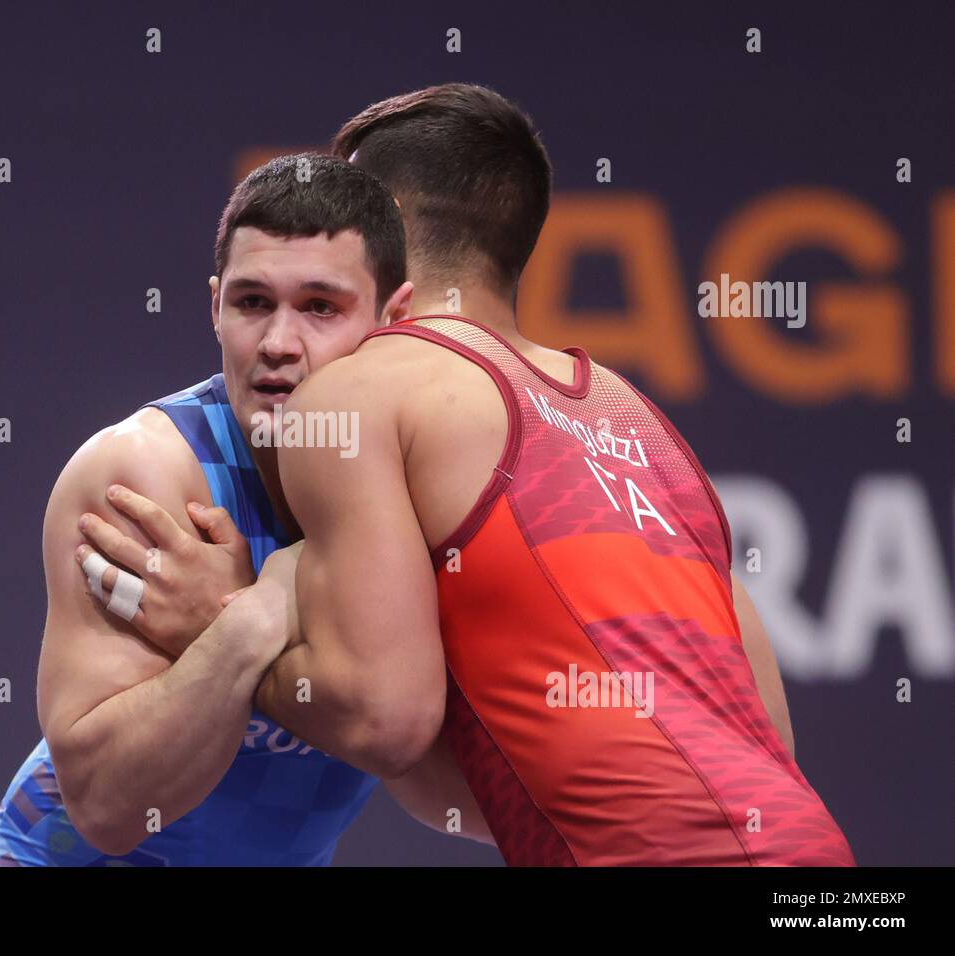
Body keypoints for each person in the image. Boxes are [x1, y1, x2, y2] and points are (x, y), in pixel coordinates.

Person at [82, 84, 856, 865]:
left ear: (377, 229)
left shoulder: (361, 393)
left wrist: (225, 622)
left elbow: (385, 719)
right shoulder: (640, 421)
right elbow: (763, 732)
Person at [0, 152, 485, 866]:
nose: (277, 345)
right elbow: (109, 807)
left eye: (320, 308)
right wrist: (250, 623)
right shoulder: (145, 476)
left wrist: (224, 618)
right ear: (214, 307)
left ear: (393, 317)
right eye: (252, 302)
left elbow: (445, 787)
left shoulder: (426, 492)